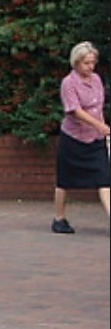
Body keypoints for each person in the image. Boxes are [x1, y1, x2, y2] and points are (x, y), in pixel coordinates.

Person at [51, 40, 110, 233]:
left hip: (95, 139)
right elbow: (75, 111)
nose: (90, 67)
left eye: (93, 62)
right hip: (74, 138)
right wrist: (100, 125)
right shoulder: (68, 83)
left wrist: (102, 130)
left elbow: (99, 106)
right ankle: (59, 219)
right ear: (76, 62)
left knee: (105, 179)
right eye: (86, 63)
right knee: (64, 180)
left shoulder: (97, 80)